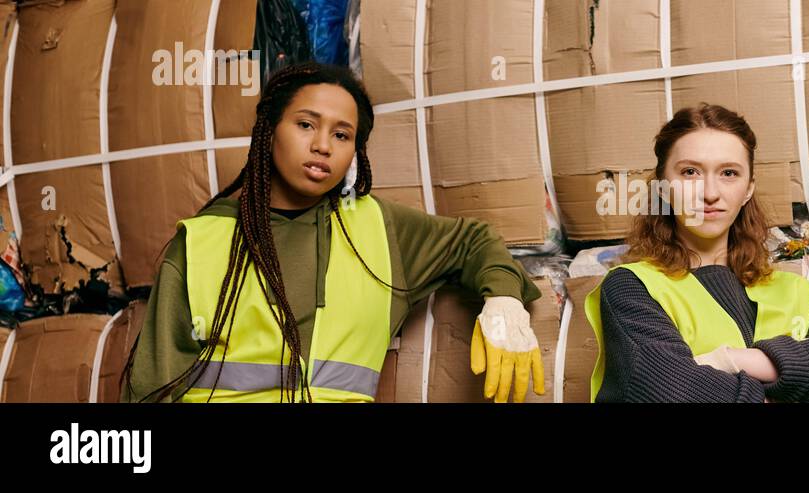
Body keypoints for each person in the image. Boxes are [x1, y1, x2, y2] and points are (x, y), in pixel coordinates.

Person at [123, 63, 544, 403]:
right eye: (306, 125)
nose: (323, 145)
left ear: (354, 152)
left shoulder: (378, 228)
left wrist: (504, 298)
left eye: (342, 134)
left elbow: (474, 242)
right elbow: (148, 391)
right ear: (269, 132)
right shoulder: (202, 243)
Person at [586, 103, 809, 403]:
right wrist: (791, 384)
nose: (710, 192)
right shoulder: (632, 287)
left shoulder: (791, 290)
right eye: (690, 172)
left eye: (728, 173)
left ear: (748, 188)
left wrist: (731, 360)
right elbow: (671, 391)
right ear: (662, 188)